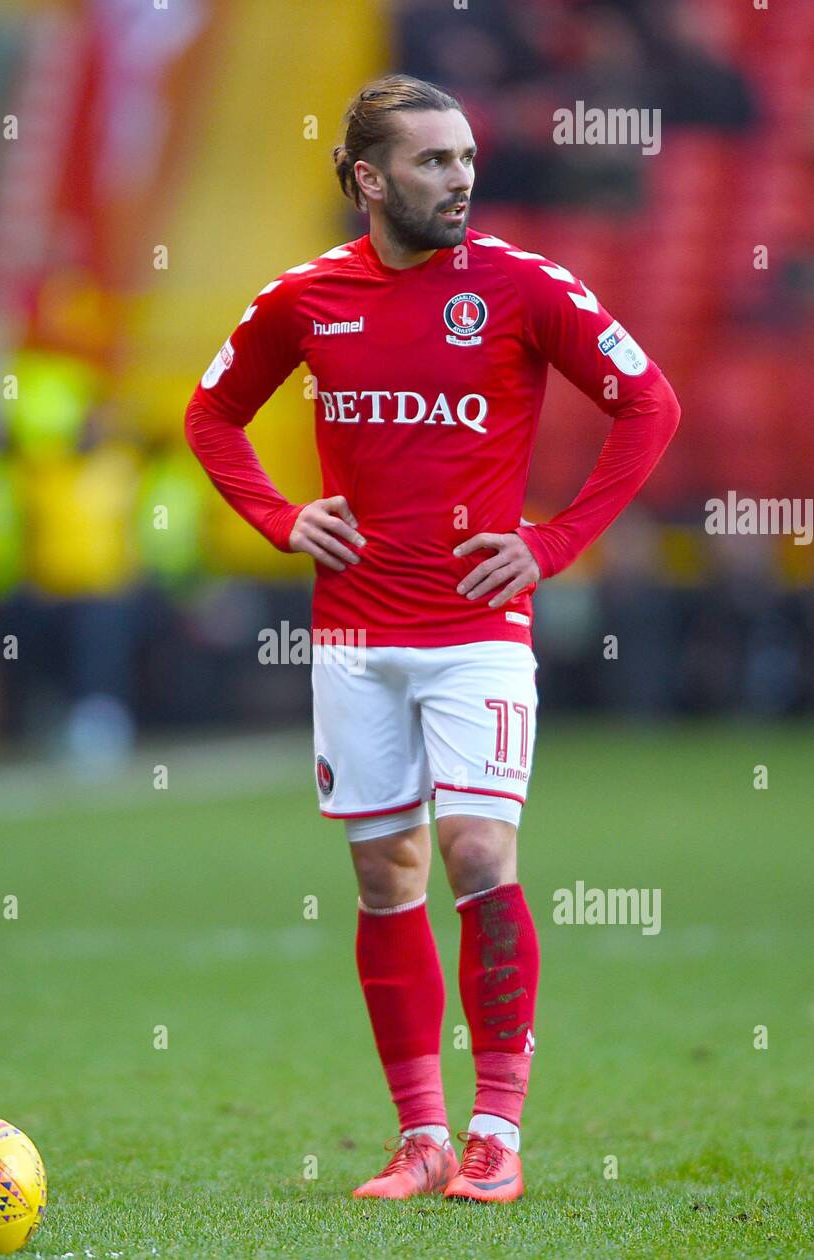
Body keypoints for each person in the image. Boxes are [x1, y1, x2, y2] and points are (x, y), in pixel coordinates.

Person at [184, 75, 680, 1202]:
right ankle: (421, 1137)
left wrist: (553, 546)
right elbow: (210, 413)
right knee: (380, 871)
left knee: (474, 851)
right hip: (352, 634)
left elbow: (648, 404)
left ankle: (496, 1129)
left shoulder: (516, 285)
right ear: (368, 178)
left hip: (477, 632)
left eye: (464, 158)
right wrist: (276, 514)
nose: (459, 178)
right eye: (431, 161)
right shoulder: (307, 298)